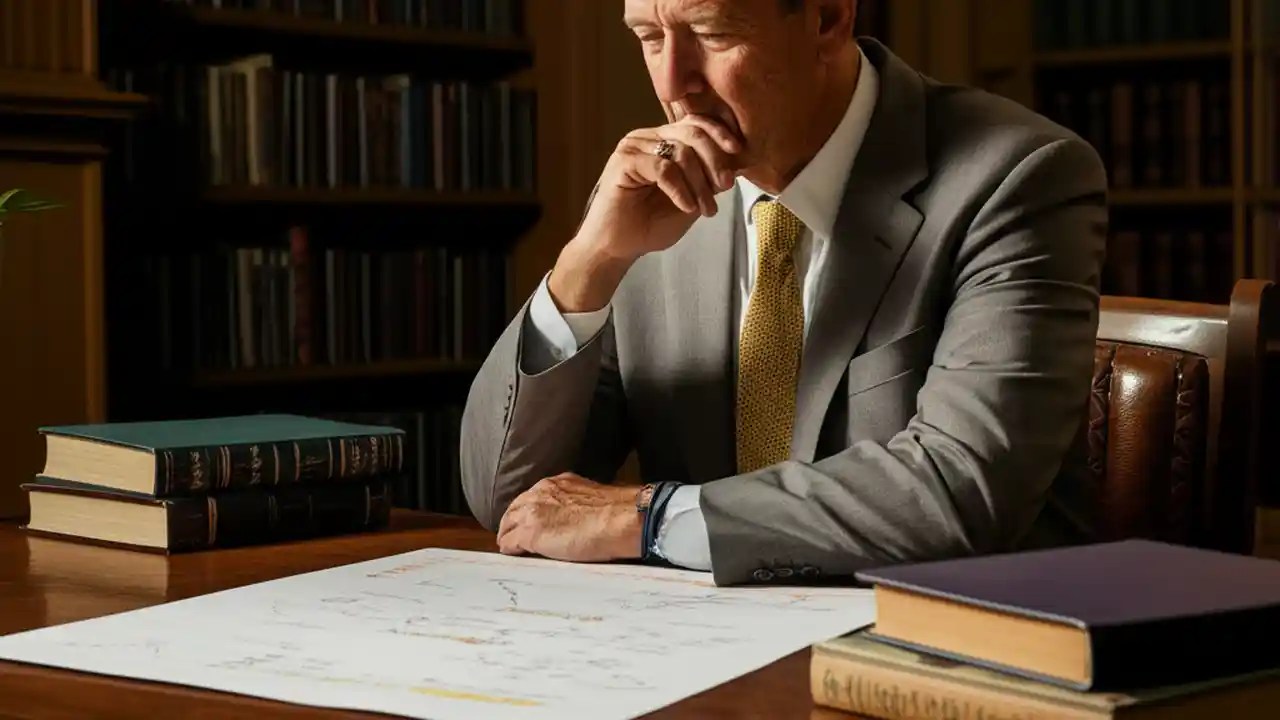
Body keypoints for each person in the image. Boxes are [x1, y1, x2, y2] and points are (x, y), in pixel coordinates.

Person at [459, 0, 1108, 586]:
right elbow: (508, 499)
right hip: (694, 655)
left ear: (827, 17)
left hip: (943, 659)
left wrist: (651, 518)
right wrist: (589, 264)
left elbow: (959, 491)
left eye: (711, 34)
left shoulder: (1019, 176)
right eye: (649, 37)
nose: (670, 85)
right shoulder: (654, 200)